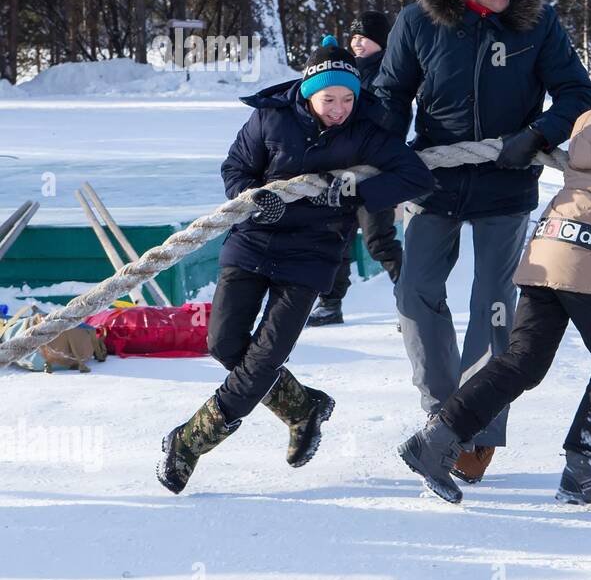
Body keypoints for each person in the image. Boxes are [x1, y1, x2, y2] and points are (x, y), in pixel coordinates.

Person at [397, 57, 591, 510]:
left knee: (523, 361)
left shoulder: (584, 138)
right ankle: (585, 467)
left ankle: (436, 440)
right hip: (587, 264)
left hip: (543, 251)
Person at [369, 0, 591, 485]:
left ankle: (479, 426)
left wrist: (539, 134)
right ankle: (442, 415)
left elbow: (576, 93)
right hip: (435, 179)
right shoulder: (418, 21)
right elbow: (391, 96)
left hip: (506, 181)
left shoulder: (537, 21)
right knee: (415, 293)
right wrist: (382, 156)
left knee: (494, 306)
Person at [157, 37, 434, 493]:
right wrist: (253, 197)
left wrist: (354, 194)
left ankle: (188, 441)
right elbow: (236, 168)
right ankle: (302, 408)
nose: (341, 108)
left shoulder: (365, 130)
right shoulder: (270, 117)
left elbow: (416, 175)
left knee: (265, 356)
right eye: (331, 99)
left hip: (312, 253)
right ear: (309, 92)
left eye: (349, 98)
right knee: (225, 345)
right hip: (252, 242)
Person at [307, 9, 404, 326]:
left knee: (379, 241)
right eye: (355, 37)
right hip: (341, 170)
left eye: (366, 38)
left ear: (382, 42)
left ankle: (413, 299)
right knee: (337, 237)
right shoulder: (345, 73)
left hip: (375, 171)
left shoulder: (391, 74)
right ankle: (330, 303)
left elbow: (388, 120)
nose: (358, 43)